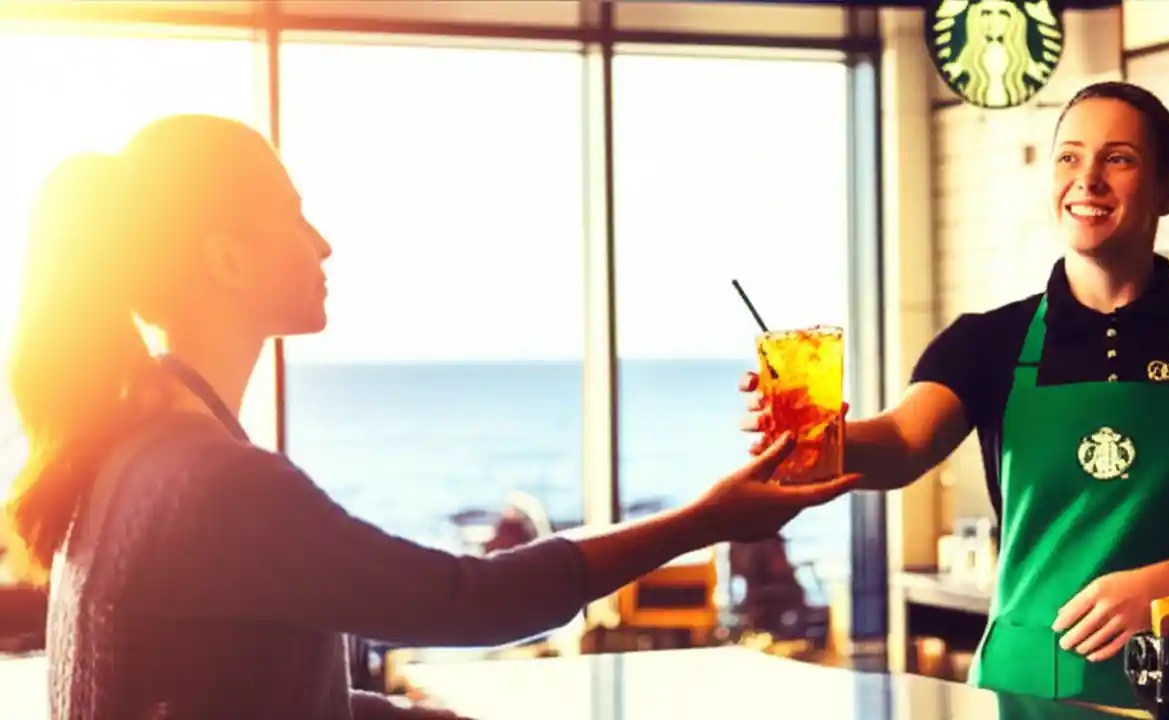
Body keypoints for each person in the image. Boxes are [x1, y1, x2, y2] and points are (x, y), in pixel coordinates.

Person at [1, 115, 861, 720]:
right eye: (293, 214)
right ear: (227, 257)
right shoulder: (212, 482)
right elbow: (470, 601)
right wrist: (708, 518)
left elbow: (224, 692)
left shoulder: (134, 449)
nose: (323, 242)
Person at [739, 81, 1169, 709]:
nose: (1088, 179)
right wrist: (813, 435)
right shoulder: (988, 341)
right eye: (1069, 156)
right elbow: (903, 441)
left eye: (1119, 158)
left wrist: (1160, 589)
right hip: (1023, 692)